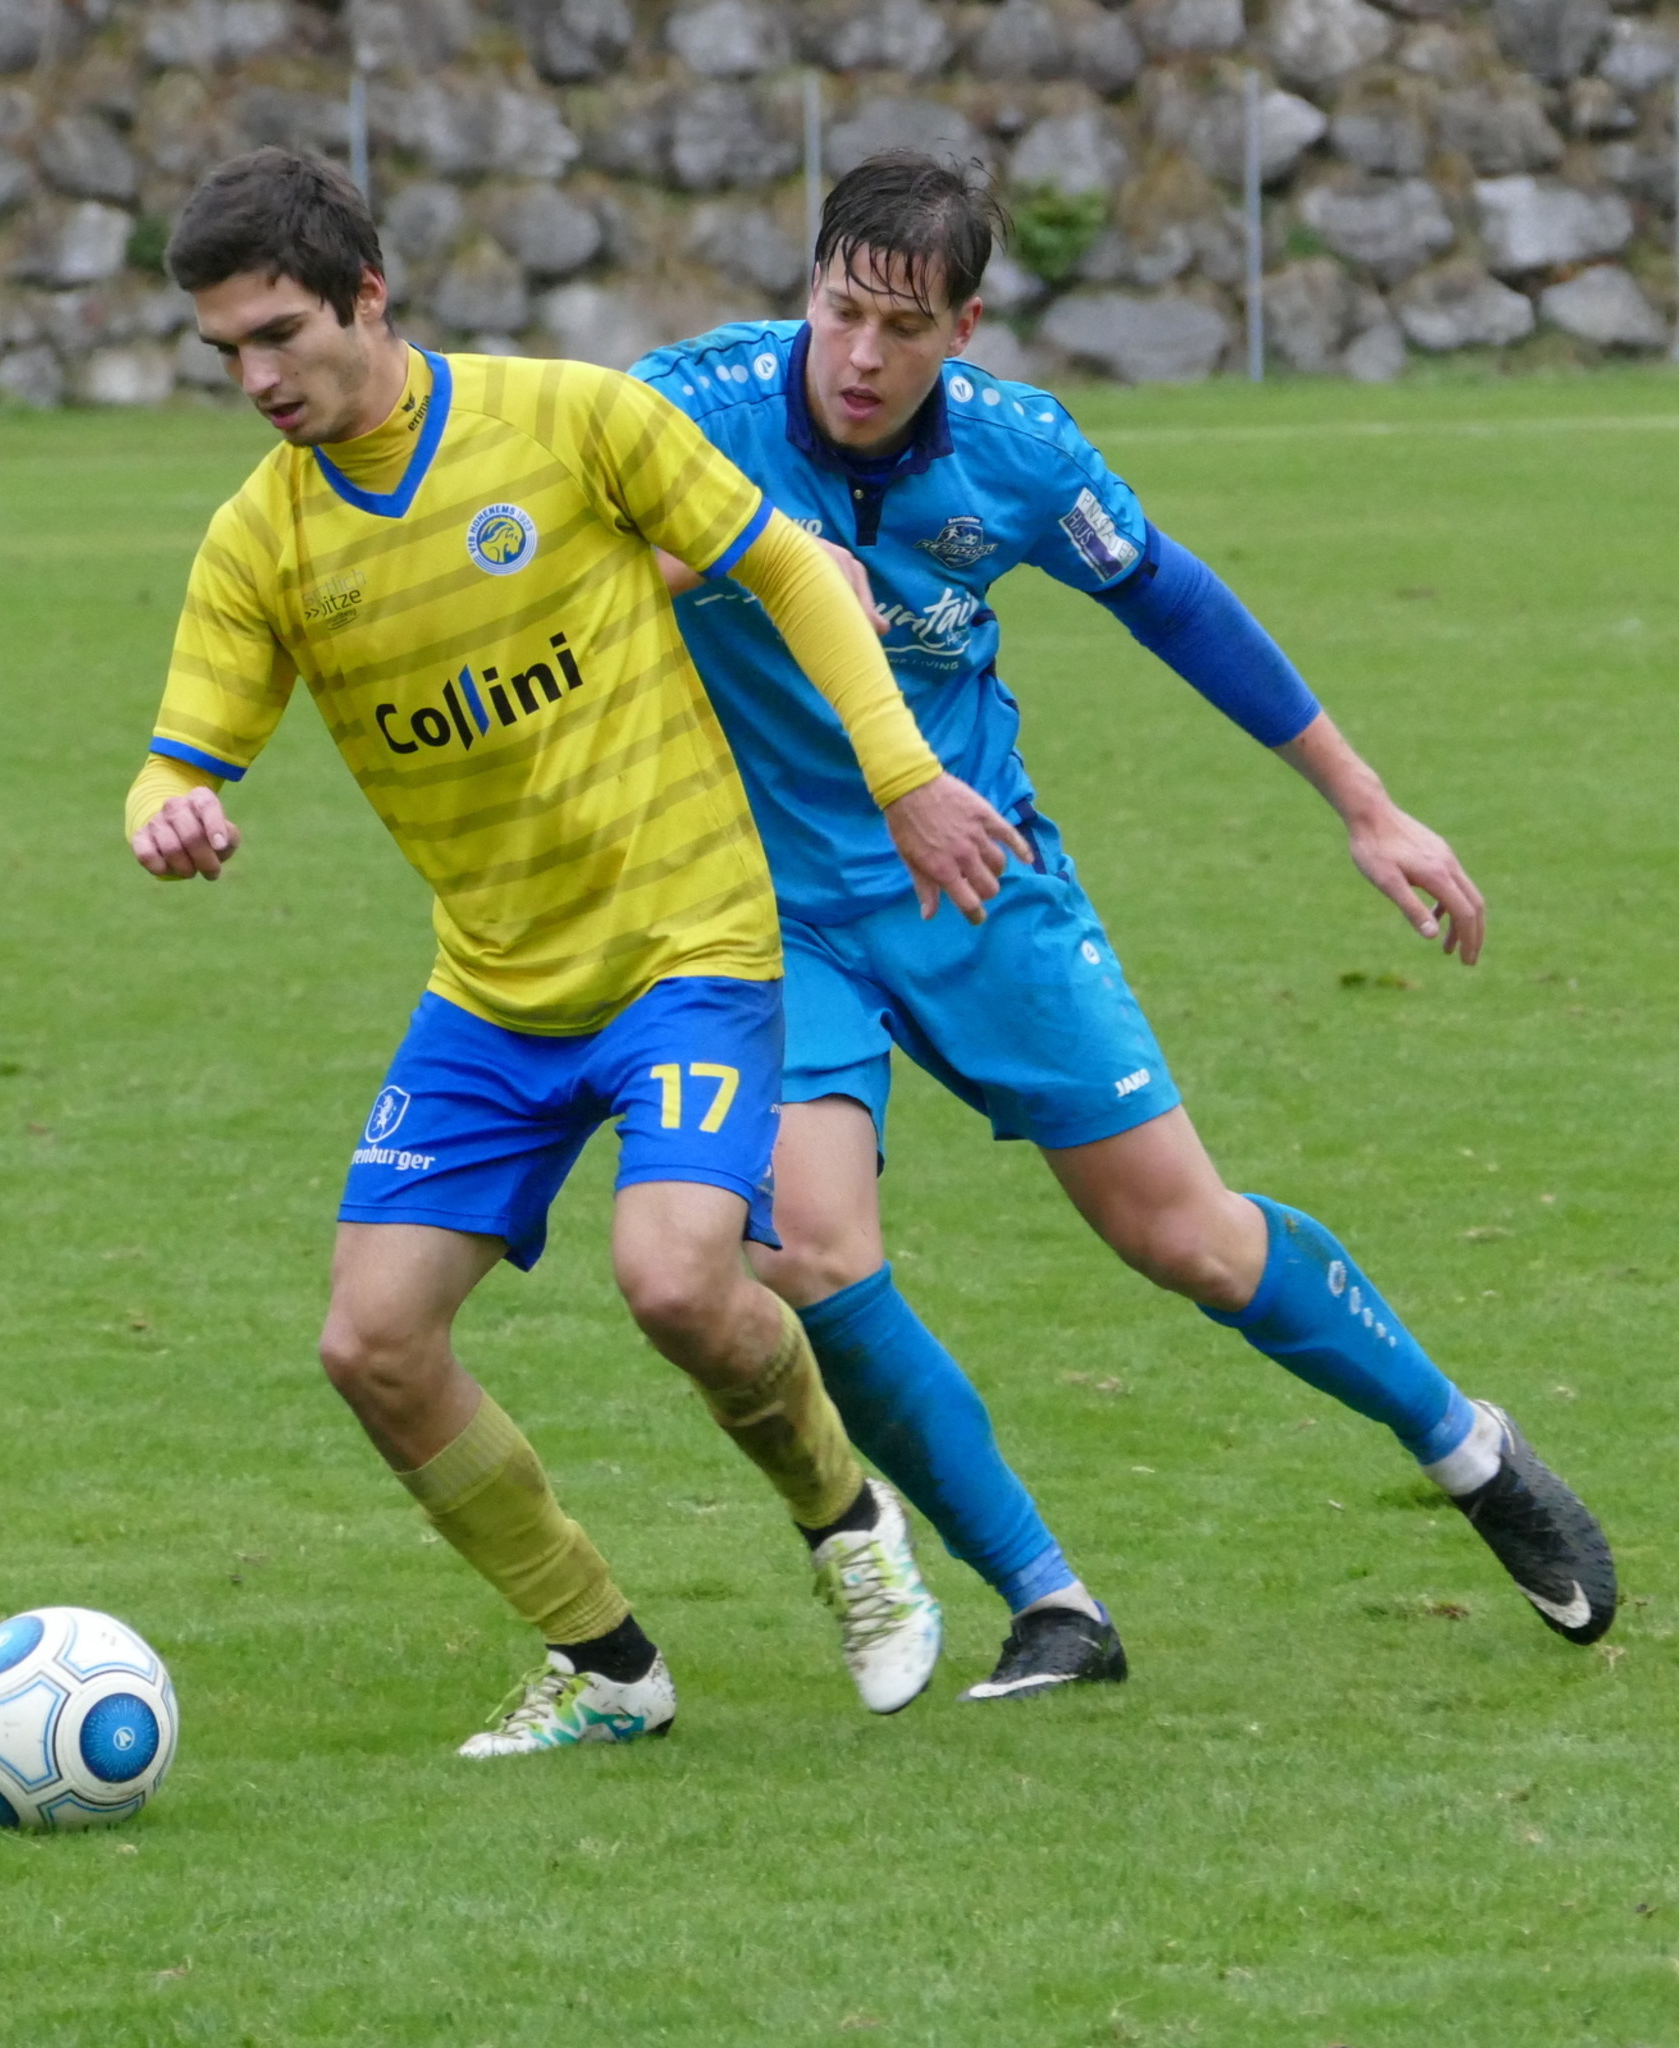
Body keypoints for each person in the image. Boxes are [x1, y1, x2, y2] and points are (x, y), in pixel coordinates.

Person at [631, 151, 1615, 1700]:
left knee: (1188, 1239)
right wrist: (739, 551)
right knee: (812, 1254)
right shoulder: (686, 408)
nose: (864, 357)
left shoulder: (1018, 454)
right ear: (802, 292)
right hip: (764, 918)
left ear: (965, 327)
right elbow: (547, 546)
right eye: (838, 313)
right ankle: (1051, 1605)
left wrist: (1363, 805)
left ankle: (1468, 1451)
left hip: (977, 882)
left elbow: (1173, 603)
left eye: (904, 325)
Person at [125, 149, 1033, 1756]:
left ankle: (849, 1532)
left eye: (279, 334)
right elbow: (183, 750)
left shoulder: (569, 420)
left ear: (367, 298)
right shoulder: (260, 542)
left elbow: (789, 569)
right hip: (490, 991)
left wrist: (901, 772)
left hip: (685, 941)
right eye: (226, 353)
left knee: (680, 1279)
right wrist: (170, 803)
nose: (256, 378)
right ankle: (605, 1663)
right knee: (371, 1343)